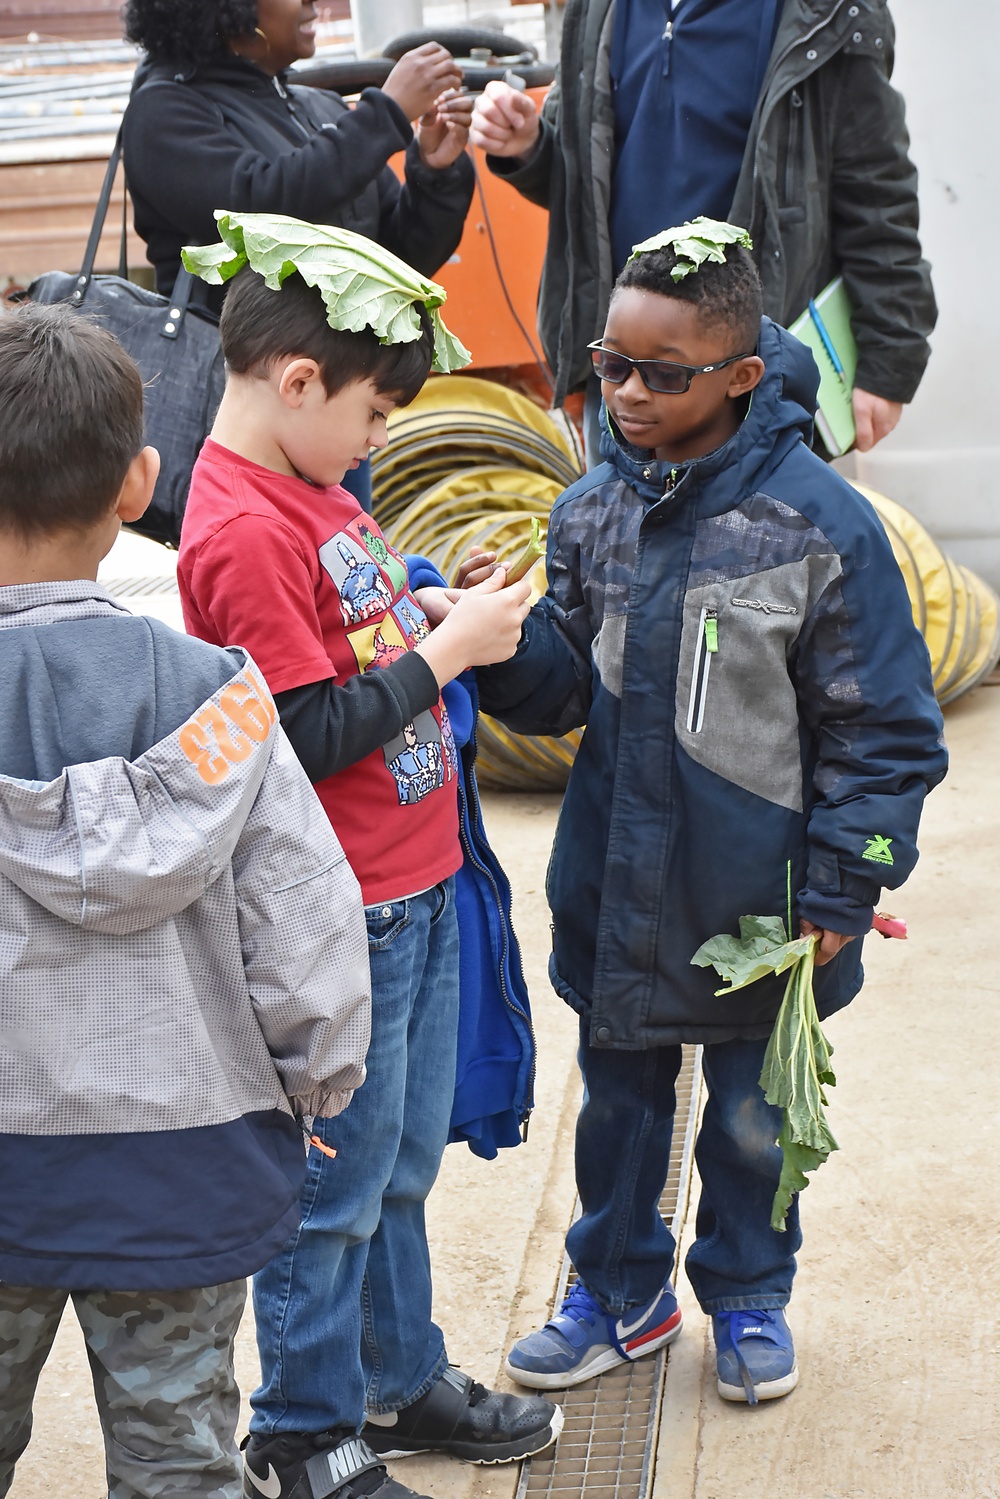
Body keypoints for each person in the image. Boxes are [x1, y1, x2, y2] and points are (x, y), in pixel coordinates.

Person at [471, 223, 947, 1404]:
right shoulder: (586, 512)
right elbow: (564, 689)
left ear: (741, 373)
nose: (627, 393)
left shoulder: (820, 528)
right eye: (611, 364)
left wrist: (845, 883)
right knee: (618, 1108)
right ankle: (617, 1293)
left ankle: (746, 1294)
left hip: (764, 905)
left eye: (663, 373)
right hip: (616, 888)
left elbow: (885, 732)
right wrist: (502, 640)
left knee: (748, 1120)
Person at [176, 251, 562, 1499]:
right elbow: (302, 731)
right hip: (344, 913)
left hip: (416, 881)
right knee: (332, 1186)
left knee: (397, 1161)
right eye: (372, 416)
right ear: (298, 380)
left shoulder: (317, 484)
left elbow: (357, 629)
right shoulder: (240, 526)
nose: (374, 442)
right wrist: (446, 657)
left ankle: (397, 1377)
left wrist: (427, 607)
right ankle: (303, 1428)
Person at [0, 303, 371, 1498]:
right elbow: (305, 916)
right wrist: (317, 1078)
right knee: (179, 1462)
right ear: (138, 481)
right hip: (187, 1158)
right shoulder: (219, 696)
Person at [470, 0, 937, 458]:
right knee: (621, 534)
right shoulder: (598, 8)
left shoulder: (827, 11)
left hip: (747, 382)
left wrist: (888, 362)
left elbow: (877, 194)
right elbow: (584, 188)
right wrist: (528, 146)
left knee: (757, 536)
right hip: (624, 375)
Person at [122, 0, 474, 506]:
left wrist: (435, 174)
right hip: (249, 435)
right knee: (265, 566)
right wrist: (385, 115)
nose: (314, 3)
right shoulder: (165, 112)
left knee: (340, 578)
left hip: (339, 413)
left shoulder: (320, 109)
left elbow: (396, 261)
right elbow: (262, 207)